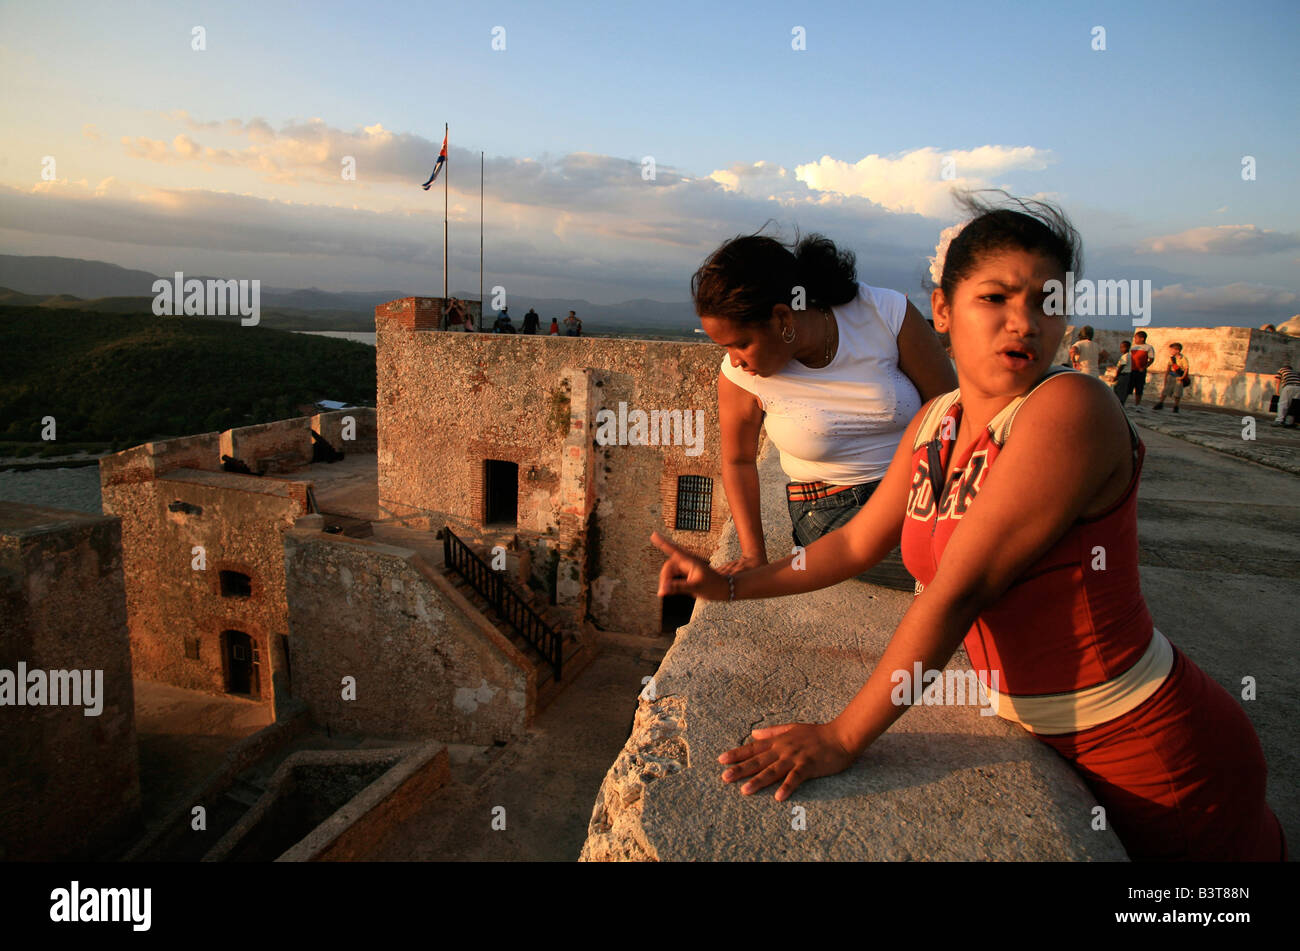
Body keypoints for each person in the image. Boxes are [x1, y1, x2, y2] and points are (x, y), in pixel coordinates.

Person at [651, 192, 1285, 861]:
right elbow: (855, 543)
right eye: (996, 298)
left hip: (1146, 746)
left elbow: (959, 589)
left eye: (1047, 302)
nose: (1025, 322)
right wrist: (730, 587)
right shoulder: (937, 421)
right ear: (944, 310)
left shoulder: (1070, 406)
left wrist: (842, 737)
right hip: (1059, 736)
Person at [692, 229, 957, 590]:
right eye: (725, 347)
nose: (734, 360)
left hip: (920, 487)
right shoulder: (740, 377)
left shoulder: (884, 314)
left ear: (783, 319)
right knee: (956, 559)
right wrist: (754, 554)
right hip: (832, 509)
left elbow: (950, 411)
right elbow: (738, 462)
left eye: (741, 344)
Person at [1151, 342, 1189, 412]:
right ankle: (1161, 403)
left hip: (1178, 377)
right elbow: (1168, 368)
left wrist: (1182, 377)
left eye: (1172, 350)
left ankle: (1176, 406)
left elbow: (1186, 369)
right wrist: (1166, 377)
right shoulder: (1172, 359)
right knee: (1165, 390)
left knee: (1177, 393)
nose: (1170, 351)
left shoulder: (1183, 359)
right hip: (1171, 376)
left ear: (1177, 350)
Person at [1128, 330, 1155, 410]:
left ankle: (1137, 404)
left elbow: (1151, 359)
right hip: (1131, 369)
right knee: (1129, 386)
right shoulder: (1133, 347)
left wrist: (1144, 367)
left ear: (1142, 339)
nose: (1135, 339)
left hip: (1140, 371)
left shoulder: (1148, 347)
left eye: (1136, 338)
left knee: (1139, 387)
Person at [1111, 339, 1132, 404]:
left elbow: (1121, 366)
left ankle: (1119, 403)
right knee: (1120, 390)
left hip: (1123, 375)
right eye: (1121, 347)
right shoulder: (1127, 355)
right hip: (1125, 375)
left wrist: (1116, 376)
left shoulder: (1125, 356)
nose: (1121, 349)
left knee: (1120, 390)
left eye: (1123, 347)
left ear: (1127, 348)